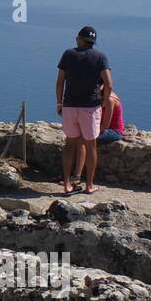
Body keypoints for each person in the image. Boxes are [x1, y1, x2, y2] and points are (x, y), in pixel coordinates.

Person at [55, 26, 113, 194]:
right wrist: (103, 101)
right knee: (91, 145)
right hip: (90, 107)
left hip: (70, 105)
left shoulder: (68, 54)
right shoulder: (100, 57)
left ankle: (67, 184)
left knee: (70, 144)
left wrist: (60, 103)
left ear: (78, 38)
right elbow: (109, 84)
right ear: (93, 42)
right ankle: (89, 185)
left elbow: (60, 82)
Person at [73, 90, 123, 183]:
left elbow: (105, 125)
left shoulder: (109, 100)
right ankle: (71, 175)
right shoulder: (98, 97)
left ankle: (76, 176)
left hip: (114, 132)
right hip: (98, 128)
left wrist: (89, 134)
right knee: (75, 139)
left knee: (82, 140)